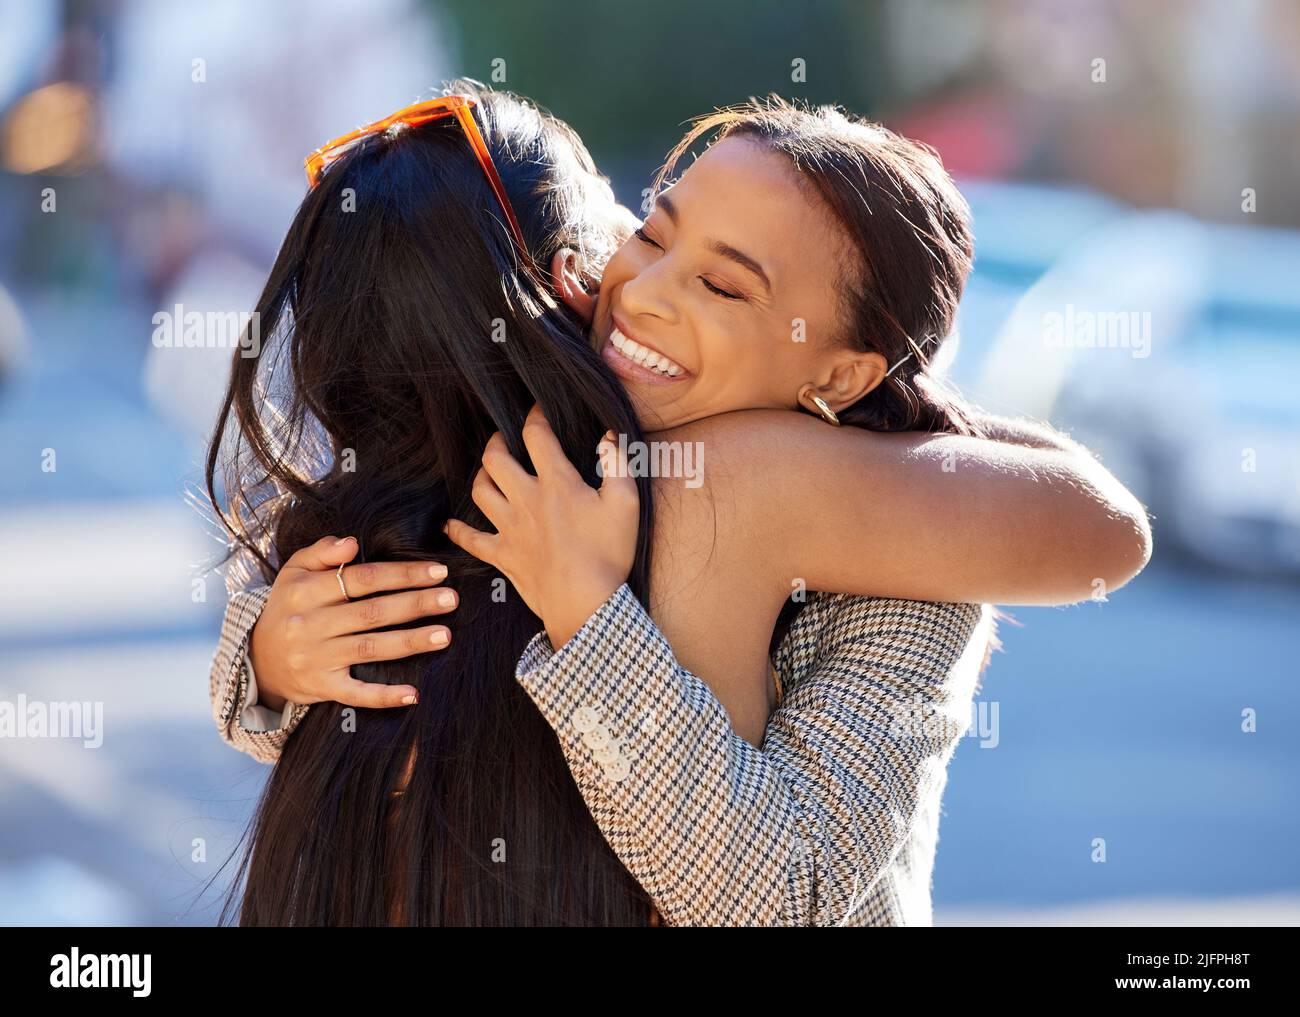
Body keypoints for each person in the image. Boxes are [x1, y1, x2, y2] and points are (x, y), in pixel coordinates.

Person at [208, 84, 1151, 925]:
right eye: (650, 235)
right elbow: (371, 572)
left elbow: (780, 897)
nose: (644, 293)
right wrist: (268, 656)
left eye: (724, 283)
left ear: (843, 371)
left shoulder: (902, 563)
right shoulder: (552, 453)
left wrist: (594, 613)